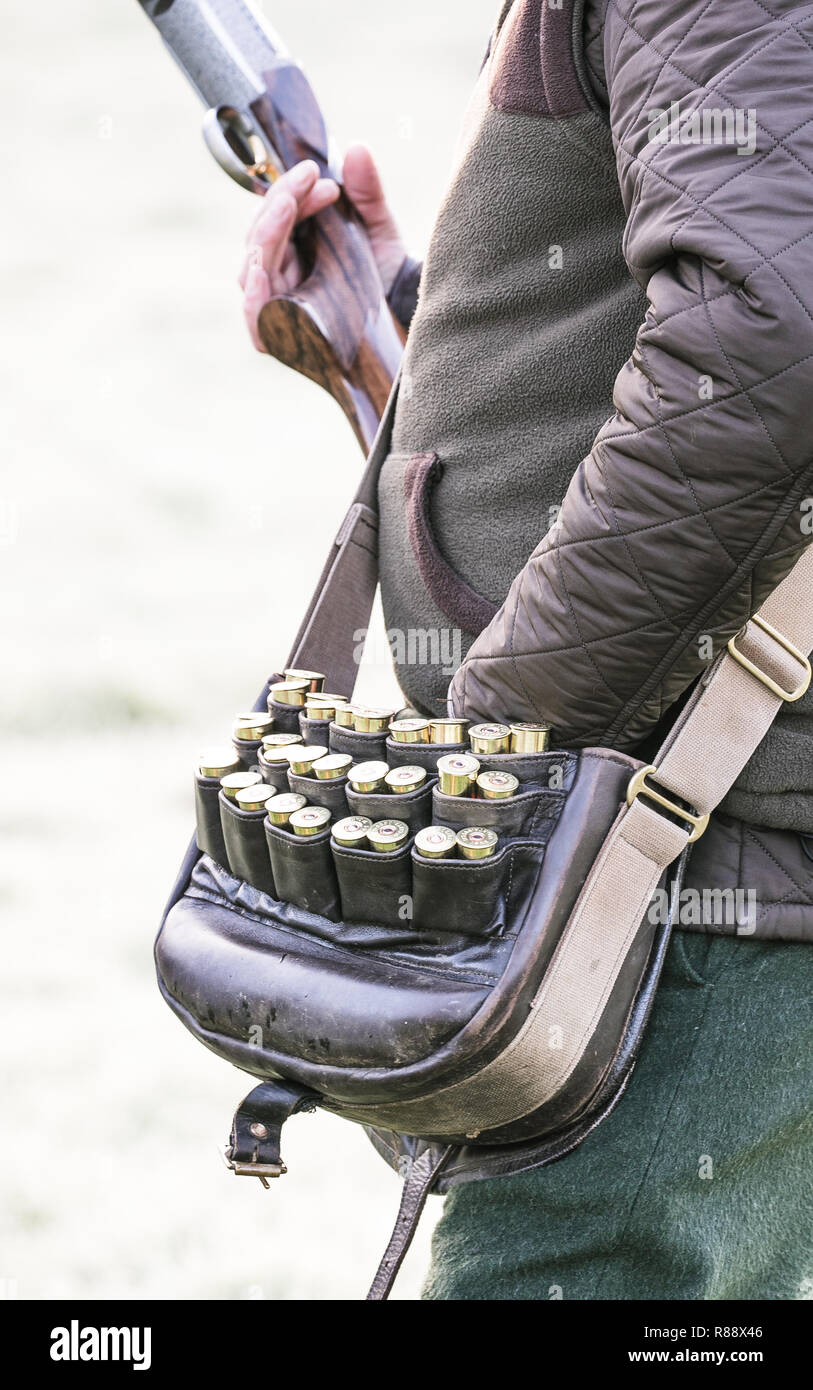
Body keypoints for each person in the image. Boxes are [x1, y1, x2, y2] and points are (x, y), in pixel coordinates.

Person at [239, 1, 813, 1300]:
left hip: (667, 882)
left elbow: (771, 340)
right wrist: (393, 322)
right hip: (687, 854)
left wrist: (492, 759)